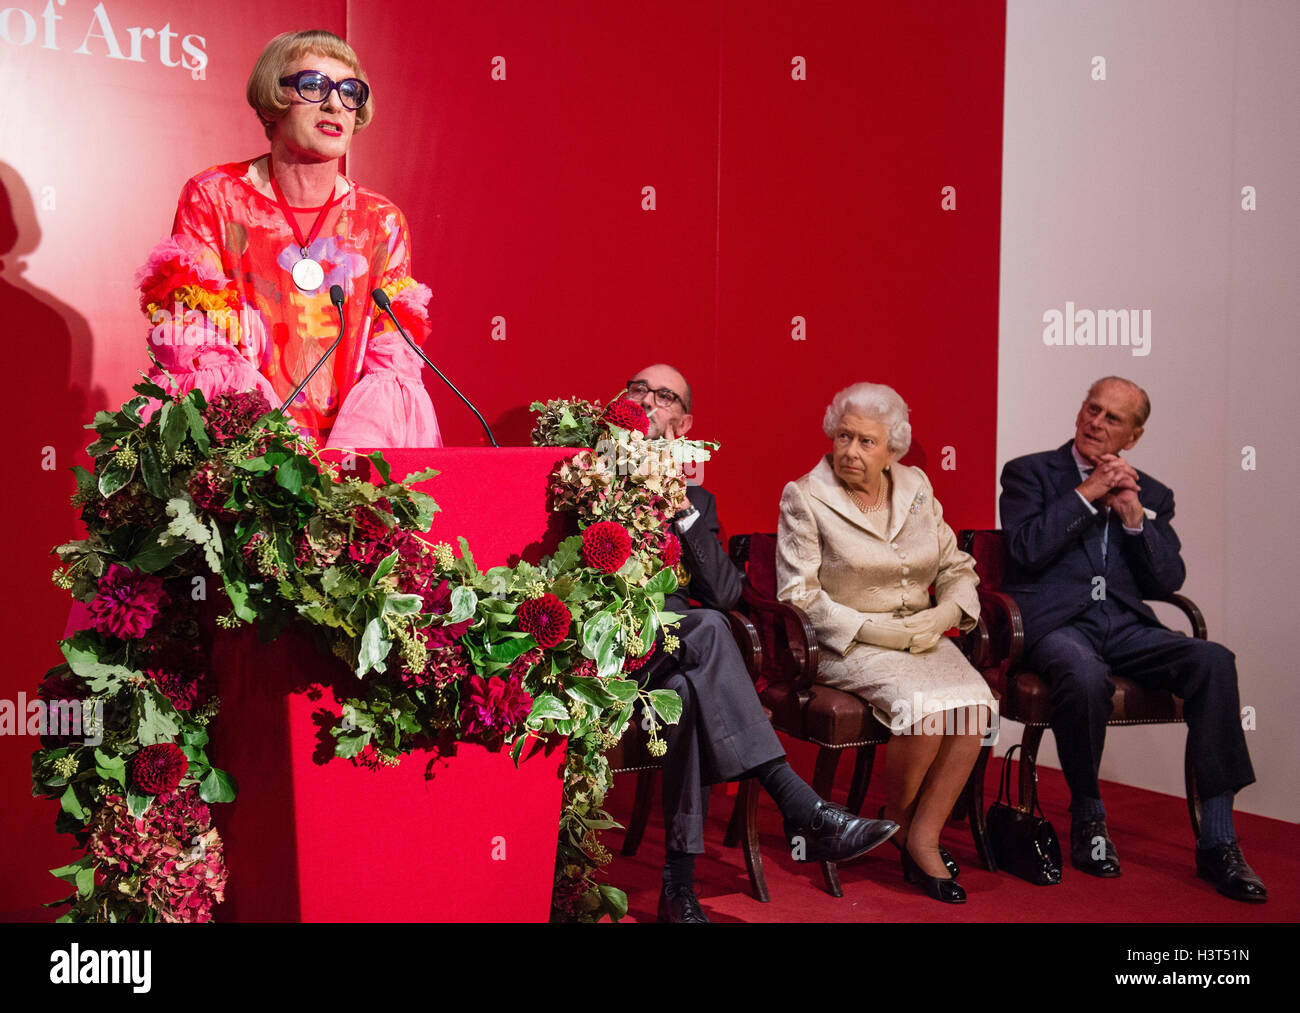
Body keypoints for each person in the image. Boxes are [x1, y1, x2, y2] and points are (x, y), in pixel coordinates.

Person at [622, 364, 898, 922]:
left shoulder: (696, 499)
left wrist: (678, 507)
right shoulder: (585, 476)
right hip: (611, 650)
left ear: (685, 421)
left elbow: (724, 591)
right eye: (638, 388)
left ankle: (678, 889)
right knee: (708, 631)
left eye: (665, 395)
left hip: (672, 656)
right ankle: (801, 807)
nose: (649, 400)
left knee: (687, 691)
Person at [998, 376, 1265, 902]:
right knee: (1082, 671)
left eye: (1112, 418)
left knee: (1213, 660)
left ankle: (1217, 840)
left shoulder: (1152, 492)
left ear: (1133, 437)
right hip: (1055, 623)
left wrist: (1135, 518)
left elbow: (1167, 582)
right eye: (1091, 409)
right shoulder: (1029, 472)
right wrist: (1085, 495)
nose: (1096, 422)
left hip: (1123, 623)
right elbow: (1025, 550)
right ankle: (1089, 817)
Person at [154, 29, 440, 447]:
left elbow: (391, 357)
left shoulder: (381, 220)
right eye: (313, 86)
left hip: (347, 461)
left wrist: (351, 466)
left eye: (349, 91)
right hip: (242, 454)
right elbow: (191, 335)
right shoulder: (214, 197)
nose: (334, 104)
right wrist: (268, 453)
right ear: (273, 101)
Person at [776, 382, 994, 904]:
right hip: (848, 643)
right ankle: (899, 817)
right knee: (928, 712)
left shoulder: (917, 485)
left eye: (866, 442)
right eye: (843, 436)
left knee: (976, 710)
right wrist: (876, 630)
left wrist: (945, 612)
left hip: (921, 638)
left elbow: (956, 566)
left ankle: (921, 834)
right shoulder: (805, 495)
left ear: (892, 448)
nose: (850, 451)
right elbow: (797, 593)